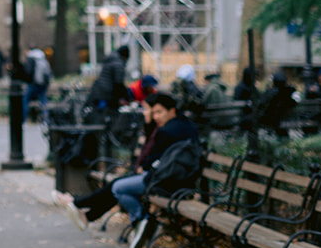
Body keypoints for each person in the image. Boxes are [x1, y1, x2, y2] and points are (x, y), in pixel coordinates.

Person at [53, 90, 200, 231]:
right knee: (118, 186)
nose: (155, 116)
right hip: (171, 178)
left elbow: (154, 158)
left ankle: (141, 221)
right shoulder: (183, 125)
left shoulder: (167, 130)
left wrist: (144, 167)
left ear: (172, 111)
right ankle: (87, 212)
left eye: (158, 112)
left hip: (163, 180)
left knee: (118, 187)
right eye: (153, 112)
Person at [22, 47, 51, 121]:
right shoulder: (43, 59)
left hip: (33, 84)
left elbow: (28, 72)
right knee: (43, 101)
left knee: (25, 100)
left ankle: (23, 119)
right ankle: (46, 119)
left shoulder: (31, 59)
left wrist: (27, 80)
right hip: (43, 85)